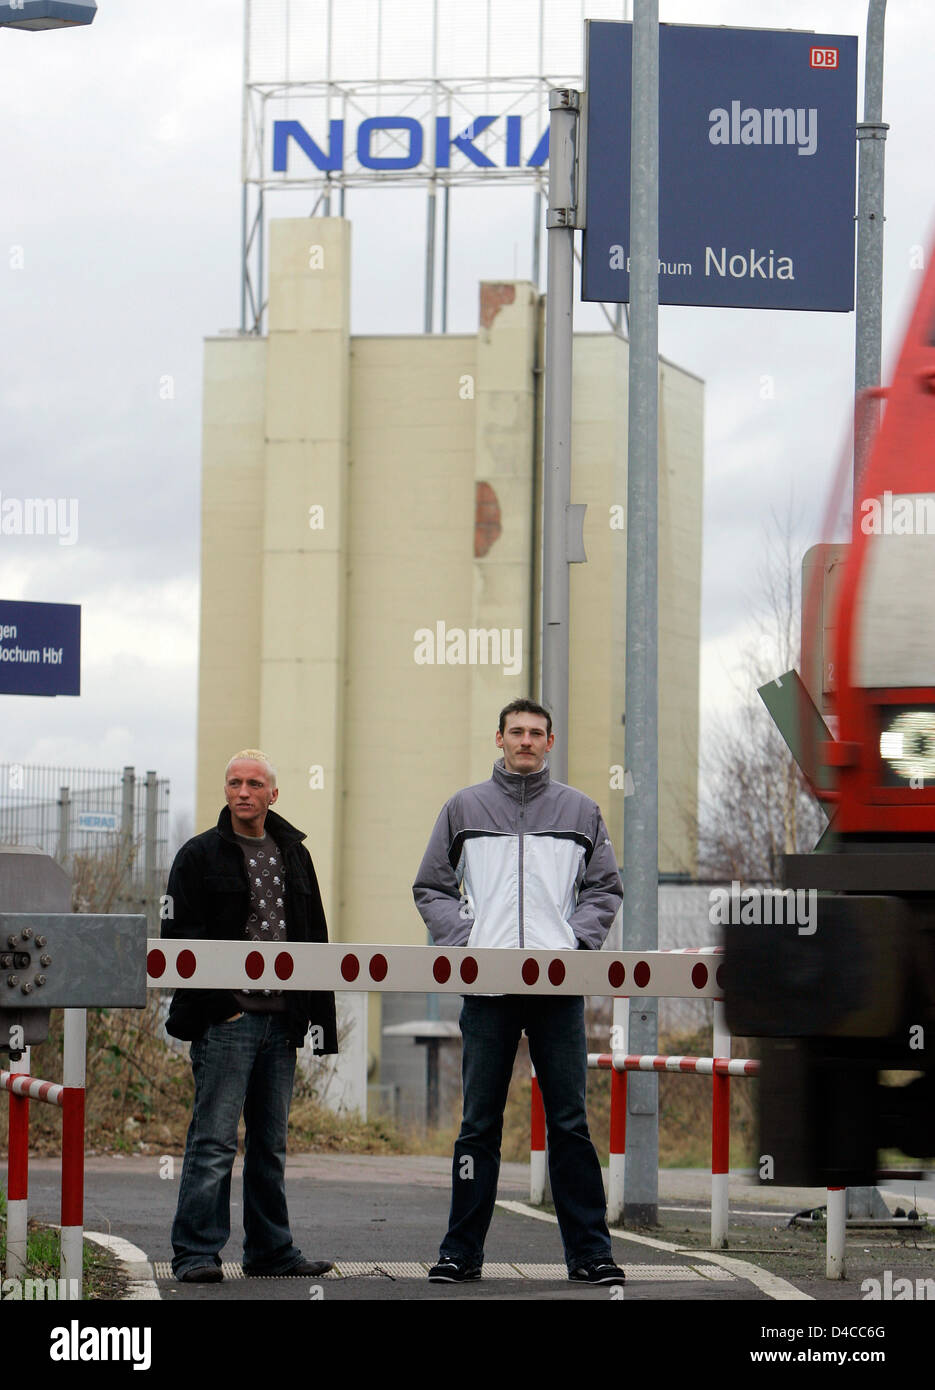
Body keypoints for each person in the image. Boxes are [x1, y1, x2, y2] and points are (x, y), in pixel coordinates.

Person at [412, 699, 626, 1285]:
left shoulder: (581, 810)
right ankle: (460, 1254)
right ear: (499, 739)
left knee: (570, 1122)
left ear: (550, 742)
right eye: (516, 733)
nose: (526, 741)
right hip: (487, 989)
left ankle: (591, 1255)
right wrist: (466, 943)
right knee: (478, 1122)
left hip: (559, 988)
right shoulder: (463, 807)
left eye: (536, 733)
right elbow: (431, 885)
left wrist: (577, 946)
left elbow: (605, 888)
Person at [162, 749, 338, 1282]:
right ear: (225, 791)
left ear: (273, 794)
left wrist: (313, 1018)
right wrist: (222, 1008)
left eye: (254, 783)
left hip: (282, 1020)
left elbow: (314, 935)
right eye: (235, 782)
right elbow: (178, 938)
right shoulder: (199, 855)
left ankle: (270, 1251)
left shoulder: (294, 854)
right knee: (214, 1139)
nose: (243, 791)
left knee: (271, 1142)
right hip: (228, 1021)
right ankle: (196, 1253)